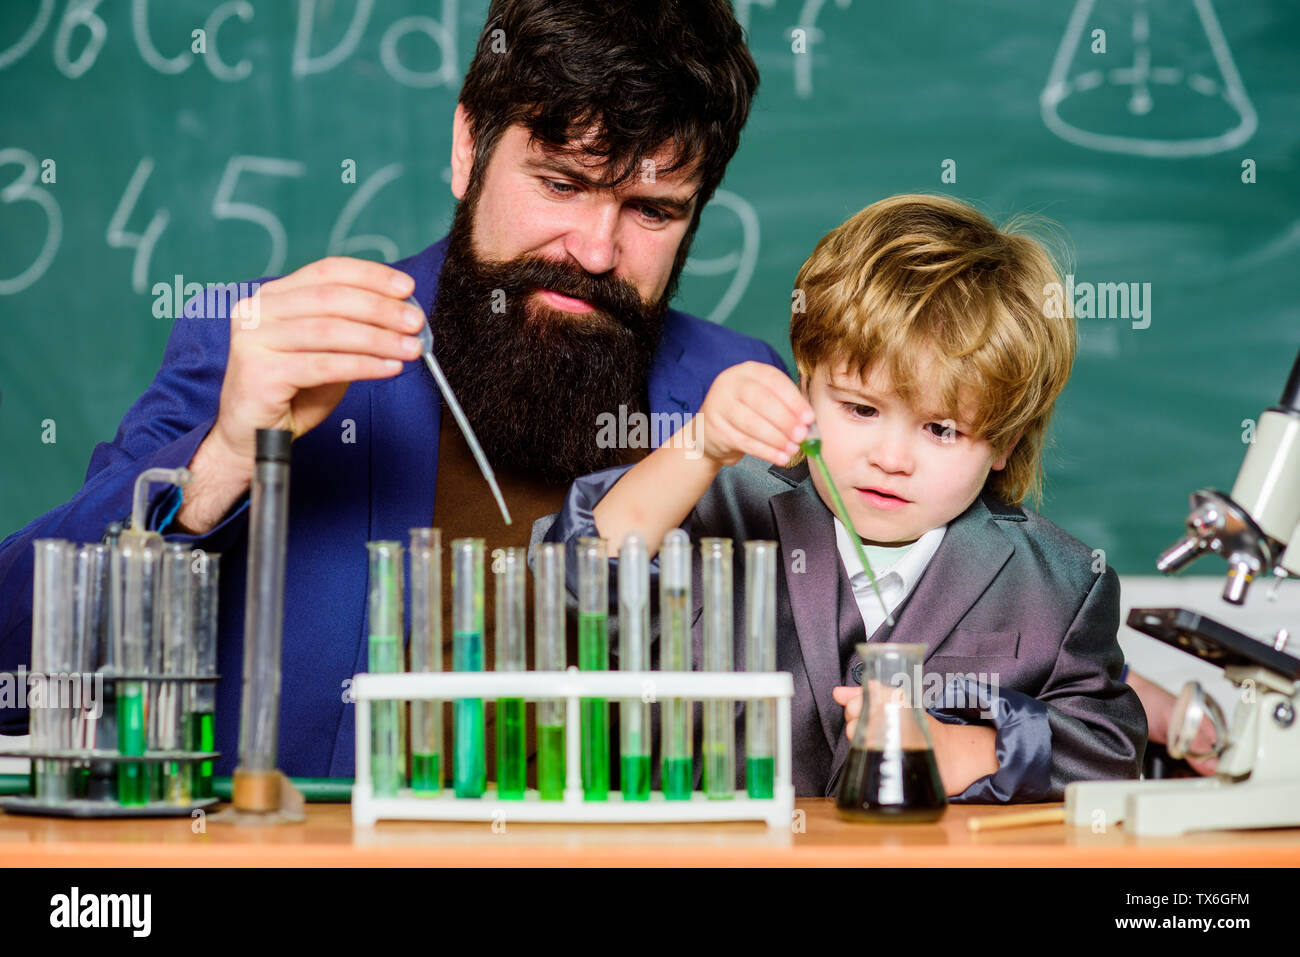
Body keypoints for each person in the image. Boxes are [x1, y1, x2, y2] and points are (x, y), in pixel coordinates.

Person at [0, 0, 784, 780]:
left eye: (651, 210)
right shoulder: (270, 344)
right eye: (561, 184)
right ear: (467, 146)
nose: (595, 249)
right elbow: (15, 666)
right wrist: (223, 460)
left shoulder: (742, 397)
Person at [544, 194, 1148, 800]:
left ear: (1003, 443)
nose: (891, 458)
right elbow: (574, 584)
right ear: (806, 382)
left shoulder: (1060, 584)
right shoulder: (720, 505)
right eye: (860, 409)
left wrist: (968, 749)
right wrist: (700, 446)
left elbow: (1109, 745)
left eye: (941, 429)